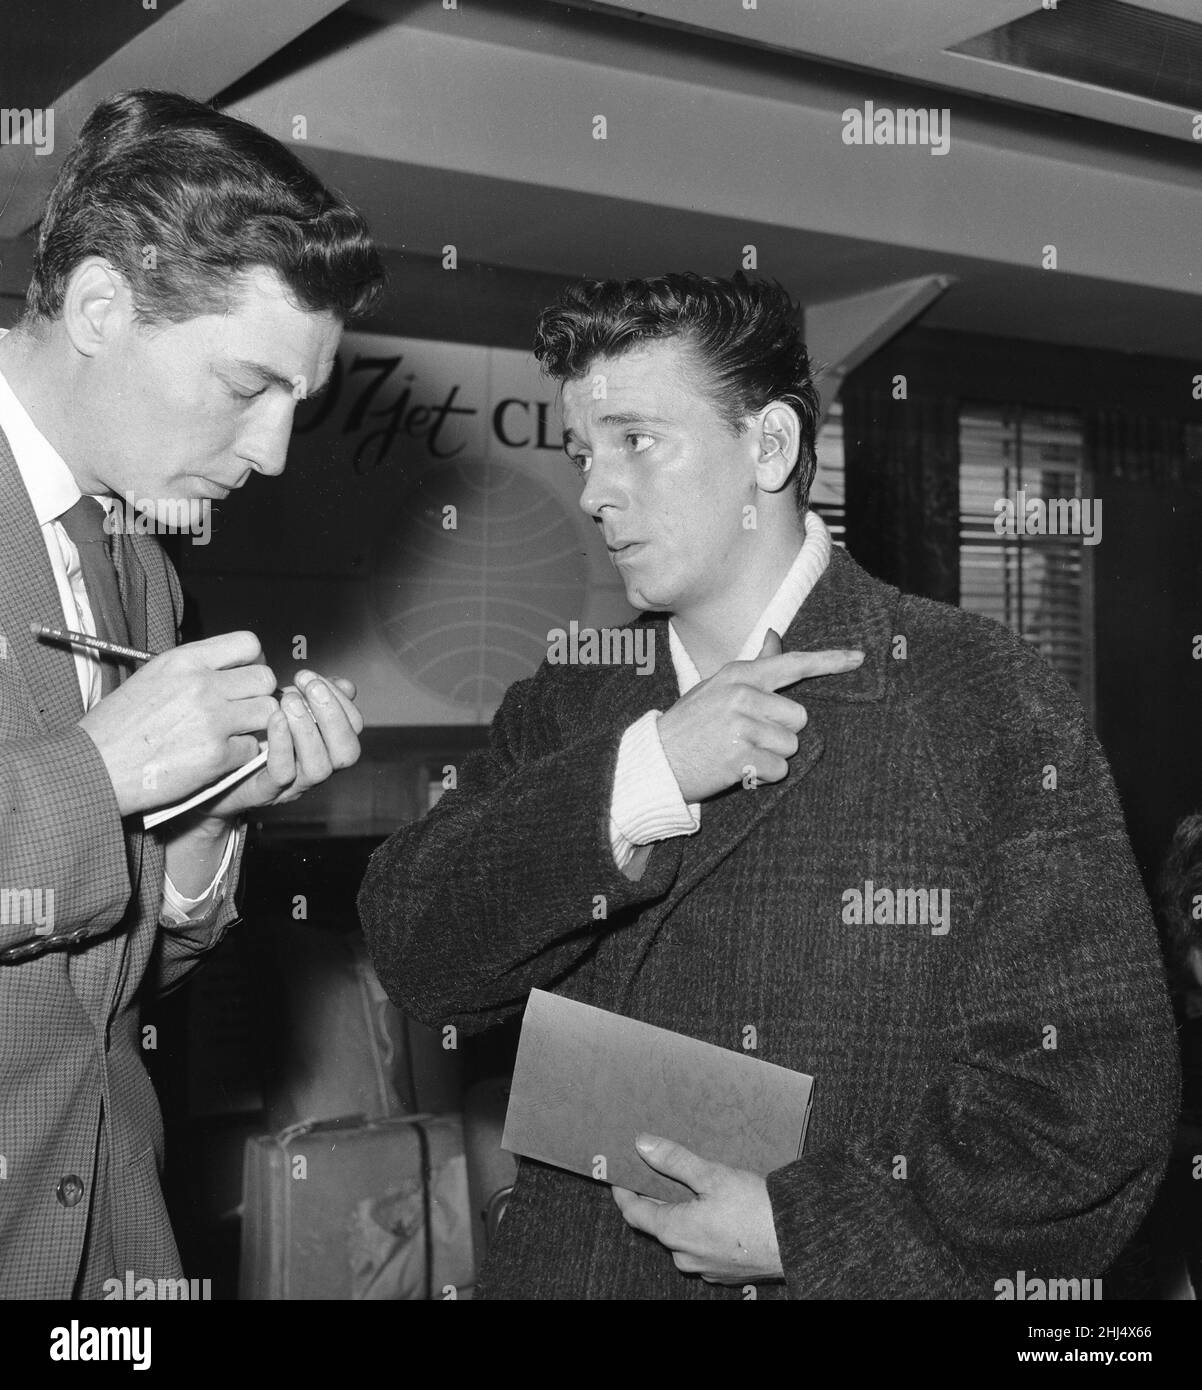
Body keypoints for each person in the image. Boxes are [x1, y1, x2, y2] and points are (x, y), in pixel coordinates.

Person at [360, 271, 1181, 1300]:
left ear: (771, 448)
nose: (591, 491)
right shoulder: (564, 709)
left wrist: (802, 1226)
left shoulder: (979, 698)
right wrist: (646, 772)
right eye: (581, 452)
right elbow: (415, 948)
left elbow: (1090, 1098)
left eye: (634, 441)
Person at [0, 89, 385, 1299]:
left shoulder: (146, 580)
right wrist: (105, 773)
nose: (270, 453)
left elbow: (87, 990)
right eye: (245, 386)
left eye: (298, 406)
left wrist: (207, 822)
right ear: (101, 305)